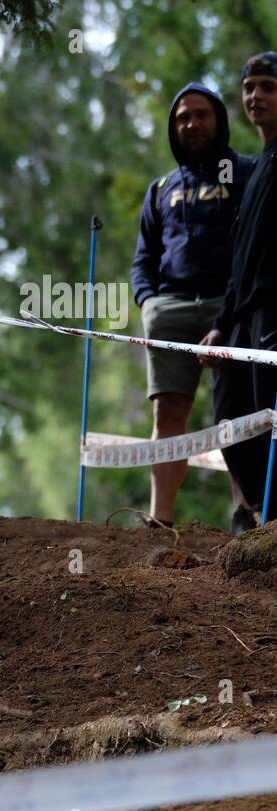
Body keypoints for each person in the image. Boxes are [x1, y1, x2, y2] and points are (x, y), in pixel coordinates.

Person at [130, 82, 254, 531]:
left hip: (232, 307)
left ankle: (246, 514)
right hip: (171, 309)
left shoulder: (244, 172)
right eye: (182, 117)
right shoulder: (161, 188)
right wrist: (148, 303)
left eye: (201, 114)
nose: (192, 124)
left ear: (218, 119)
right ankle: (160, 518)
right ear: (173, 128)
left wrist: (243, 304)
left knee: (238, 410)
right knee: (168, 413)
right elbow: (143, 257)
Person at [201, 52, 277, 529]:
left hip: (275, 312)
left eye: (268, 86)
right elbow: (239, 260)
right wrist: (220, 324)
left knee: (271, 416)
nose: (256, 97)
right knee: (229, 412)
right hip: (242, 318)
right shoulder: (254, 172)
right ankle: (257, 511)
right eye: (250, 88)